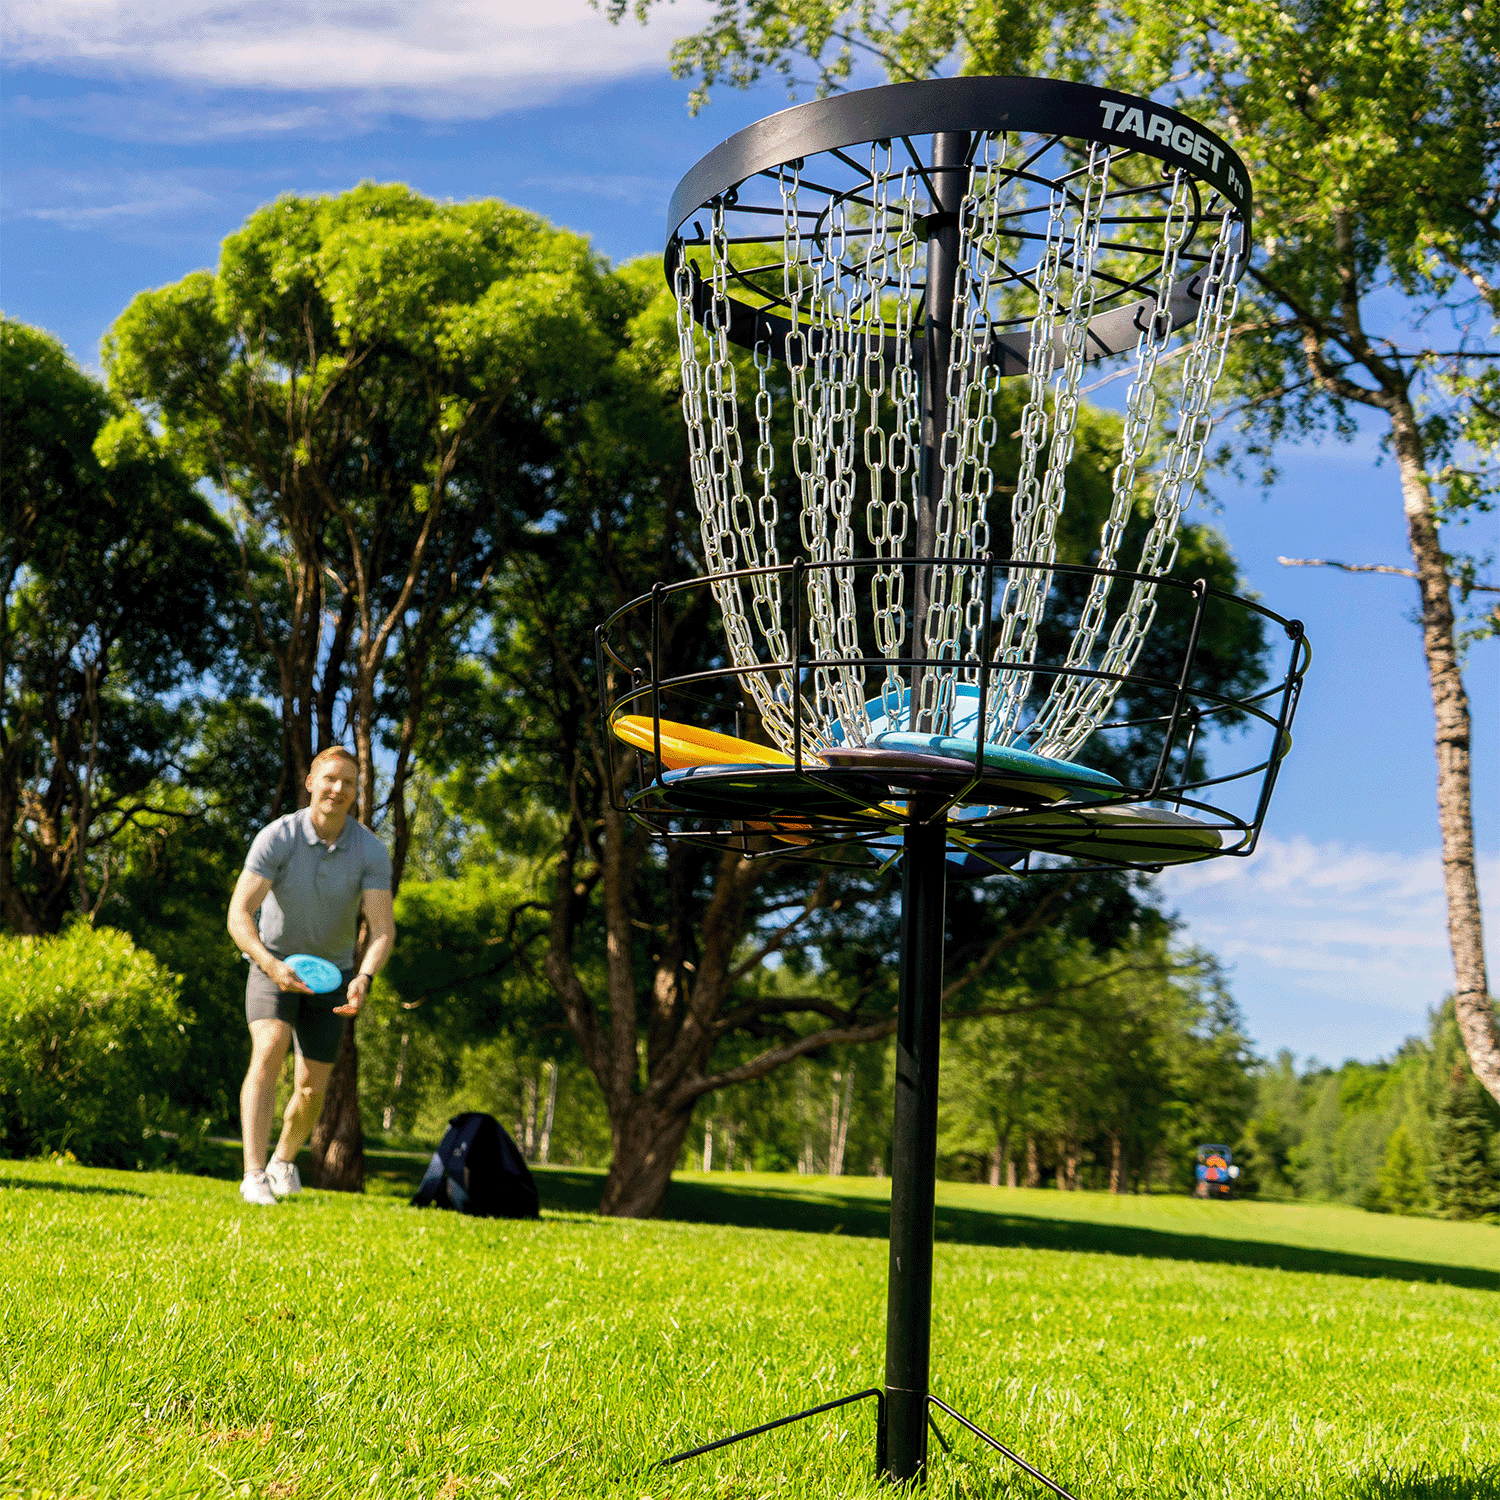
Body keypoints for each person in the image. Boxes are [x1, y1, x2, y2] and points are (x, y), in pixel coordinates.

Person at [227, 746, 395, 1206]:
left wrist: (364, 976)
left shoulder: (370, 851)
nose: (338, 790)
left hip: (334, 976)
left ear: (357, 792)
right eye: (330, 779)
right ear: (310, 782)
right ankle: (254, 1174)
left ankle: (283, 1161)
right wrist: (267, 962)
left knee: (311, 1087)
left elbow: (381, 929)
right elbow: (239, 914)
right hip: (274, 964)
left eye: (349, 783)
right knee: (269, 1047)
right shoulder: (277, 838)